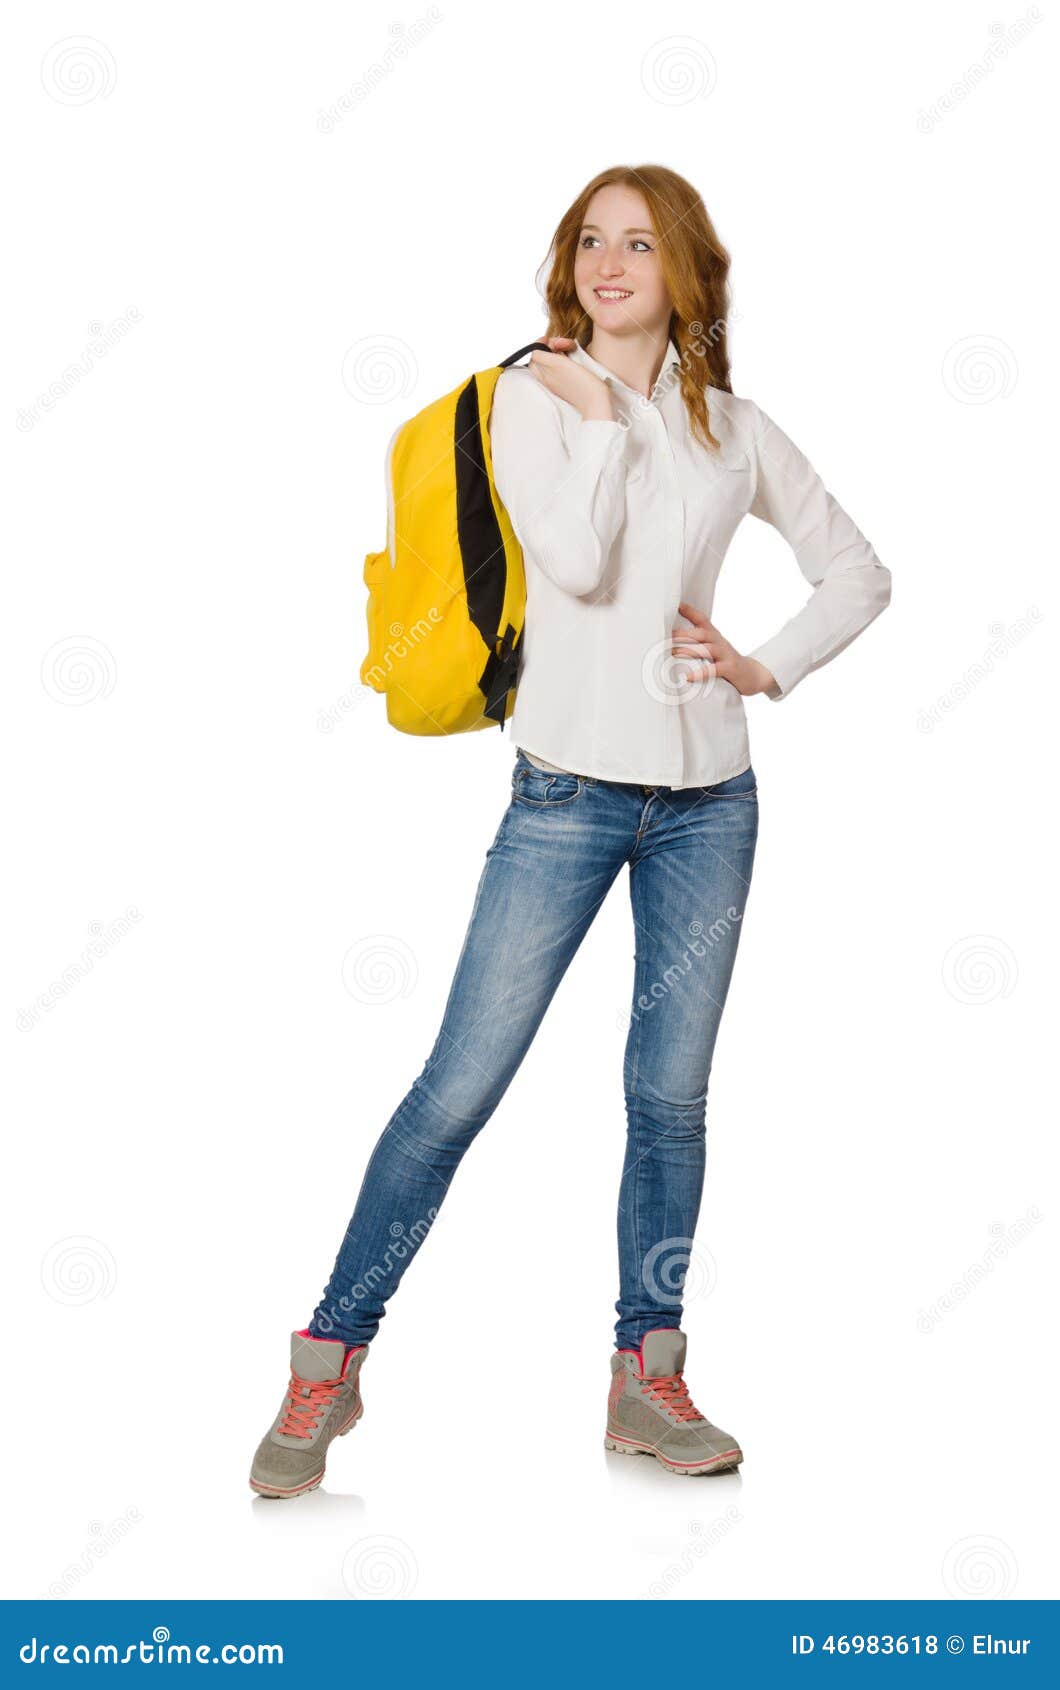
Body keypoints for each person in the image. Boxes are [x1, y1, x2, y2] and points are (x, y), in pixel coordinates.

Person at [249, 163, 891, 1497]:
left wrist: (764, 663)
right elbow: (582, 563)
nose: (610, 262)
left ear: (687, 270)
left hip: (712, 804)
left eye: (639, 243)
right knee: (454, 1092)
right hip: (566, 796)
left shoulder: (739, 429)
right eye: (590, 240)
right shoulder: (534, 406)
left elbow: (860, 572)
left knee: (669, 1103)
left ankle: (645, 1374)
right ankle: (328, 1359)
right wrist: (598, 410)